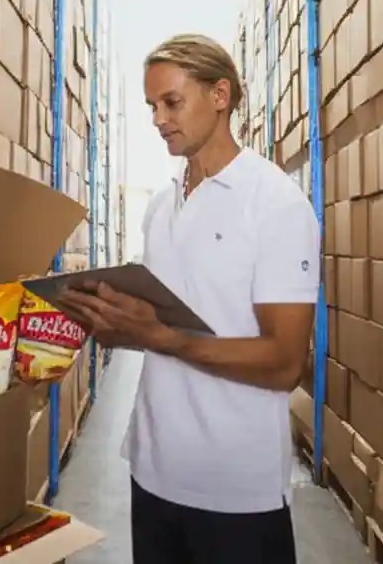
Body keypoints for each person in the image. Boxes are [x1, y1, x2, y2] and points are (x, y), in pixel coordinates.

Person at [59, 34, 320, 564]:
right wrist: (110, 320)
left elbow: (284, 362)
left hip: (235, 489)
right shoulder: (161, 206)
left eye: (171, 102)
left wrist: (164, 338)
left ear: (220, 95)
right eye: (152, 106)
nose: (158, 119)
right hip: (152, 468)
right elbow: (160, 320)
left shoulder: (274, 204)